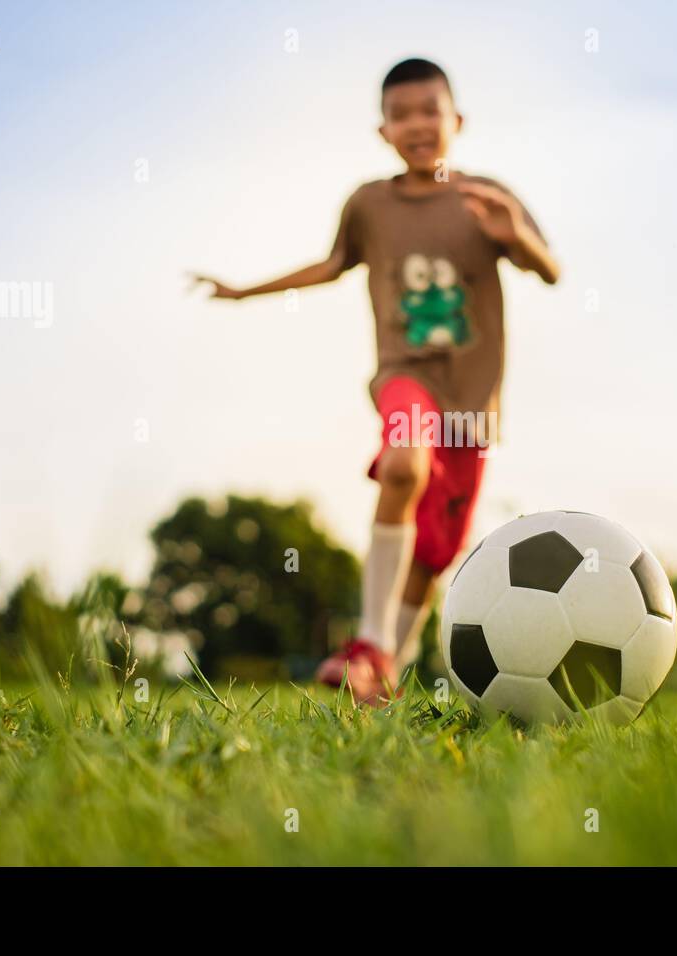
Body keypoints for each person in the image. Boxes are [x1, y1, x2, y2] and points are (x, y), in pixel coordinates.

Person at [188, 57, 559, 703]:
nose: (416, 124)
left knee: (436, 551)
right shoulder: (369, 204)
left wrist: (516, 236)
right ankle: (369, 640)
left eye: (429, 111)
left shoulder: (487, 196)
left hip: (473, 400)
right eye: (400, 114)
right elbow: (331, 264)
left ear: (456, 121)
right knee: (403, 468)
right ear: (383, 130)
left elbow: (550, 270)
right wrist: (244, 292)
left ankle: (386, 663)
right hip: (404, 375)